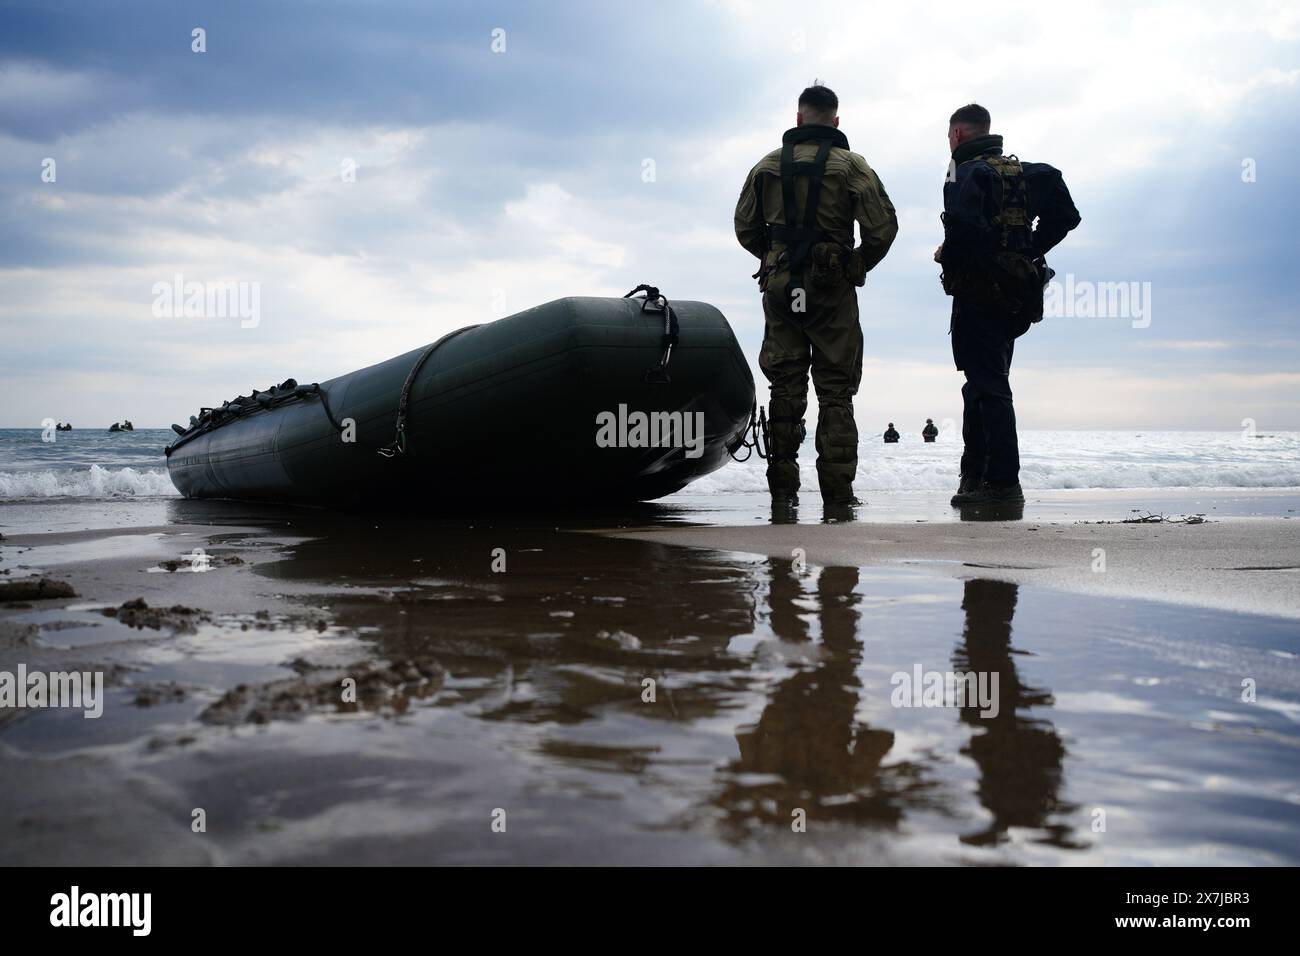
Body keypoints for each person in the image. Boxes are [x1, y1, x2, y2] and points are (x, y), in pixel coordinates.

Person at [735, 82, 898, 507]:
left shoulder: (766, 166)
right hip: (832, 290)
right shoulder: (851, 166)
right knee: (836, 391)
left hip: (781, 286)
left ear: (797, 118)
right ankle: (838, 495)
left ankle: (783, 493)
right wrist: (854, 264)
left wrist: (776, 257)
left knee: (784, 388)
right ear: (836, 121)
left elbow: (744, 227)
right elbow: (883, 228)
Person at [936, 104, 1079, 507]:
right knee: (983, 382)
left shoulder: (964, 173)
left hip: (979, 294)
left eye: (949, 137)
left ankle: (1001, 482)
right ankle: (975, 477)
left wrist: (947, 255)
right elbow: (1067, 216)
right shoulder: (1029, 172)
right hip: (1016, 296)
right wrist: (1029, 249)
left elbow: (963, 228)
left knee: (989, 385)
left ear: (958, 136)